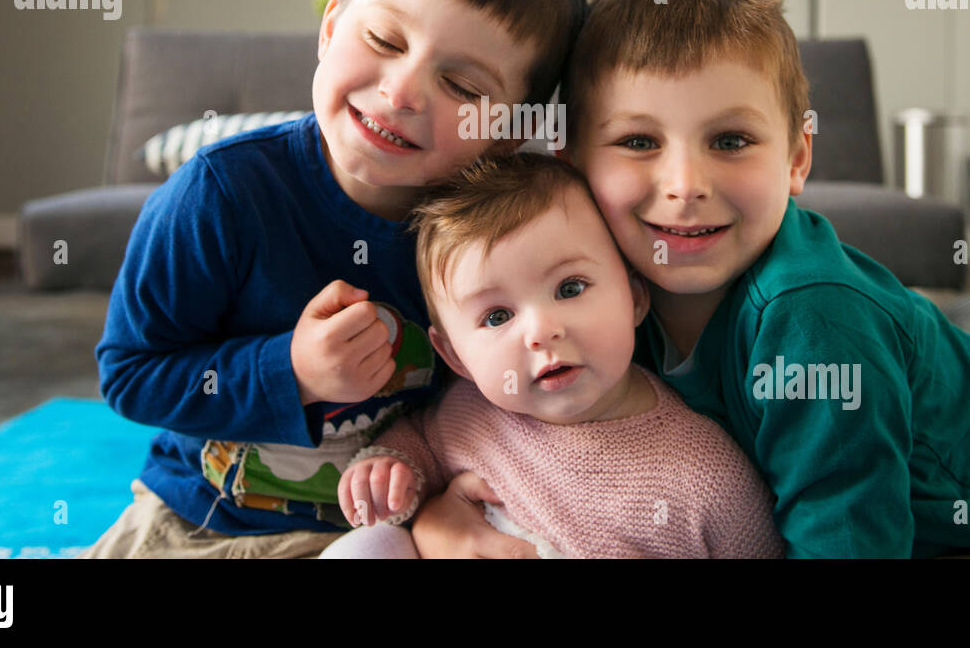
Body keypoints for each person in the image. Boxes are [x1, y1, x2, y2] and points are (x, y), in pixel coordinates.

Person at [413, 0, 970, 559]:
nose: (685, 187)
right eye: (639, 141)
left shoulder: (812, 319)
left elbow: (847, 540)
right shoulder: (597, 285)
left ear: (796, 159)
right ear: (572, 162)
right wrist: (438, 518)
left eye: (730, 140)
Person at [80, 0, 586, 558]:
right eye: (383, 38)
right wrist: (291, 369)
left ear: (503, 135)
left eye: (464, 87)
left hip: (375, 537)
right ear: (330, 27)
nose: (403, 91)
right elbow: (130, 371)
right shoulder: (220, 194)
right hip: (196, 522)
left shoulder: (495, 236)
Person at [319, 152, 784, 559]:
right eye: (498, 316)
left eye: (570, 288)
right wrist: (388, 469)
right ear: (455, 356)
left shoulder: (703, 477)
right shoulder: (468, 415)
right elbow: (420, 441)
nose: (541, 331)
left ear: (635, 298)